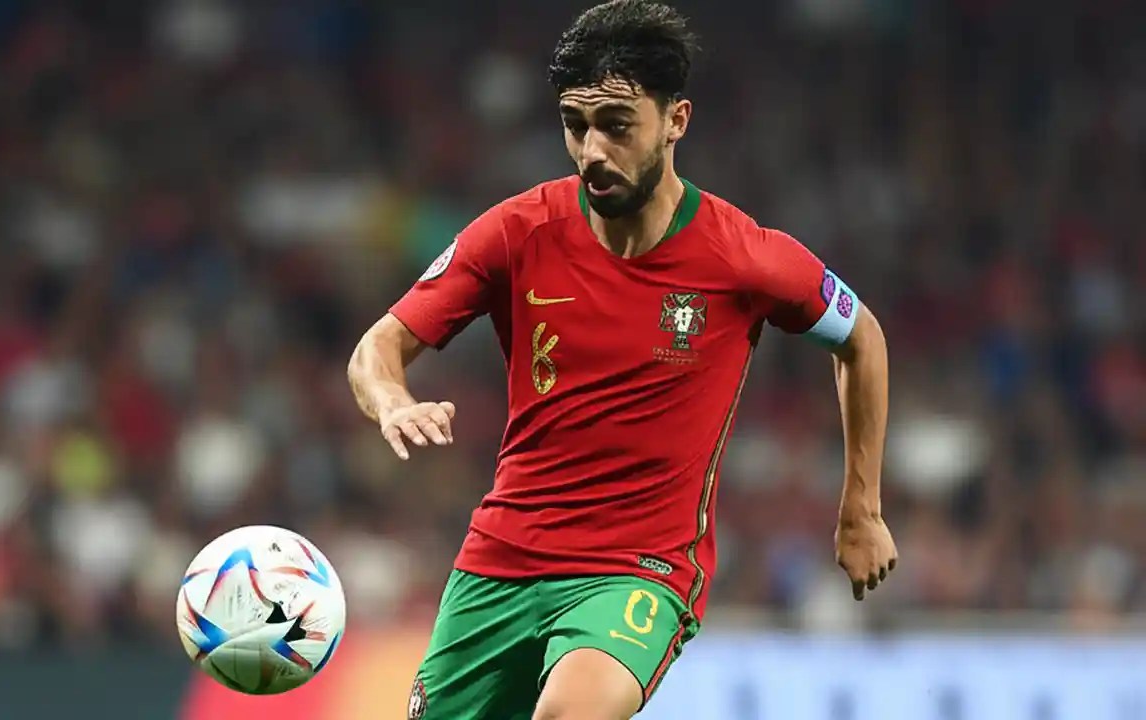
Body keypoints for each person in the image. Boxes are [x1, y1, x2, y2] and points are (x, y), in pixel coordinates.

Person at [347, 1, 898, 717]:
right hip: (500, 560)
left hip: (638, 571)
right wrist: (393, 399)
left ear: (676, 120)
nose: (591, 151)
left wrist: (862, 507)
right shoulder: (517, 233)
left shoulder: (744, 258)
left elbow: (863, 339)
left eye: (616, 124)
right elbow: (378, 346)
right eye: (575, 126)